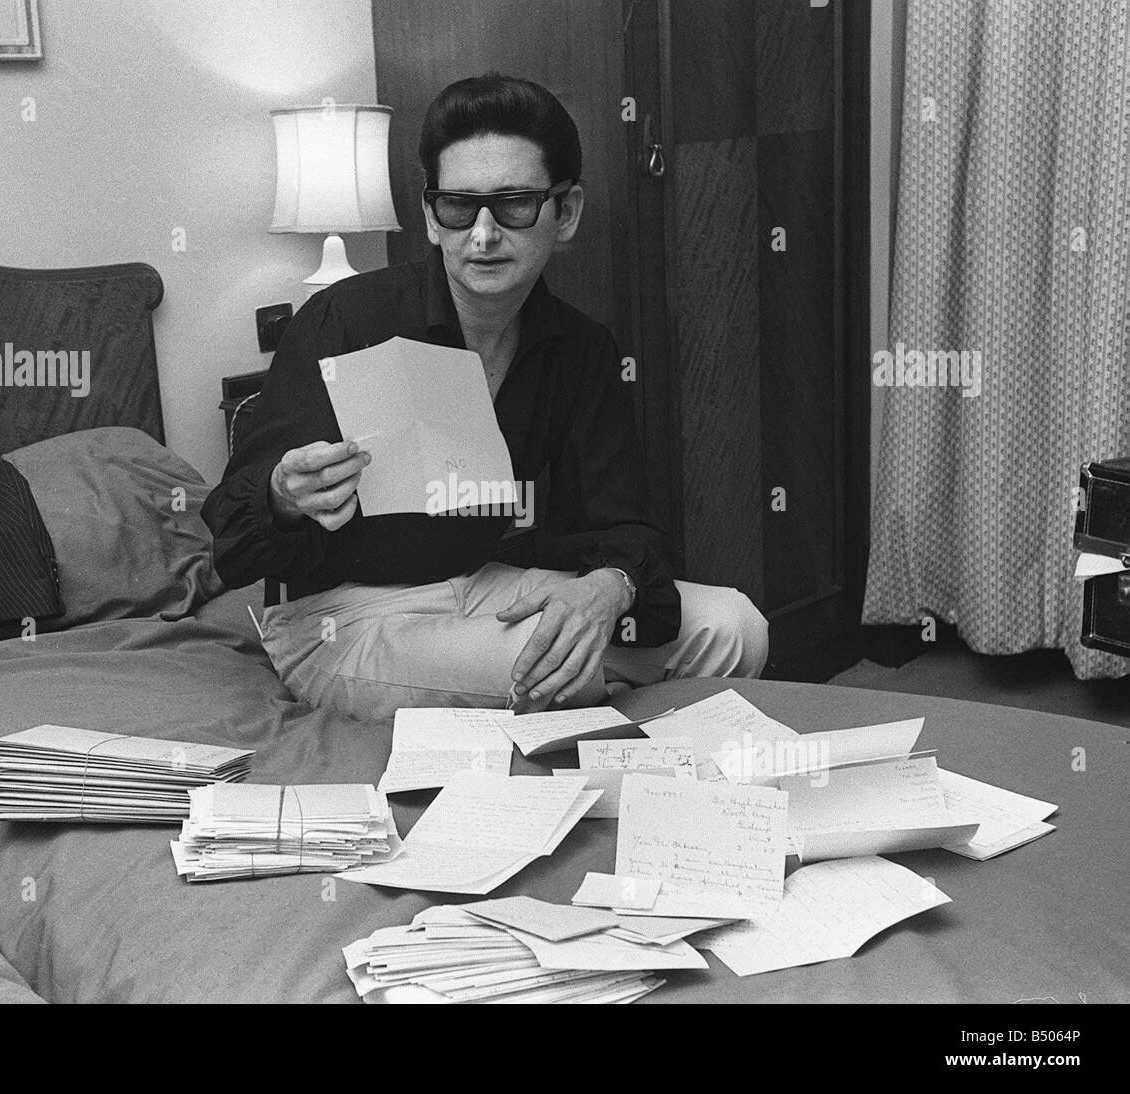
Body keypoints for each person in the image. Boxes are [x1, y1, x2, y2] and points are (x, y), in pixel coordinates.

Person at [203, 73, 767, 723]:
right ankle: (606, 755)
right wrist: (281, 496)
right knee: (550, 665)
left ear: (567, 212)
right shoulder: (346, 322)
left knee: (734, 624)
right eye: (458, 205)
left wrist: (609, 588)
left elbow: (626, 525)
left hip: (489, 584)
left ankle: (646, 757)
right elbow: (229, 541)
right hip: (344, 615)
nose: (483, 233)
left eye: (515, 203)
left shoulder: (581, 350)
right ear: (429, 216)